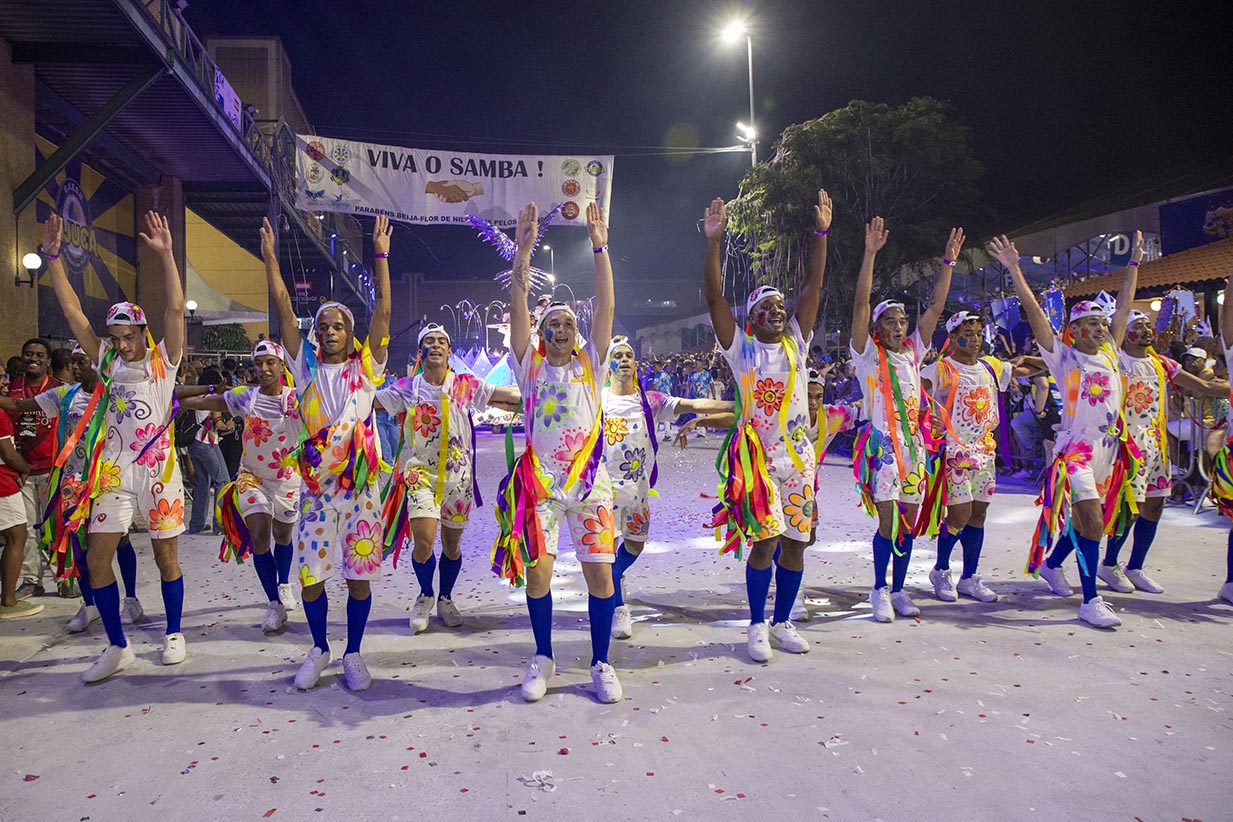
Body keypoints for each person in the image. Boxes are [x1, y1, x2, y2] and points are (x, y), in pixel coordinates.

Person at [44, 210, 189, 681]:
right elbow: (72, 312)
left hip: (160, 472)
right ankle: (116, 646)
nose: (122, 345)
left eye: (129, 337)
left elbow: (172, 310)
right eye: (116, 338)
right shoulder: (105, 358)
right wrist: (53, 260)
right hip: (111, 471)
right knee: (98, 558)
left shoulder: (166, 359)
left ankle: (173, 632)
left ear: (143, 333)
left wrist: (166, 255)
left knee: (166, 557)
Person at [492, 201, 622, 703]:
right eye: (553, 325)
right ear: (542, 336)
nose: (562, 329)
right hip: (541, 487)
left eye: (568, 323)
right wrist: (522, 251)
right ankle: (543, 656)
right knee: (538, 572)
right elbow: (517, 309)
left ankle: (602, 662)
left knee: (600, 577)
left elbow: (605, 307)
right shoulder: (529, 366)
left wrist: (600, 247)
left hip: (590, 486)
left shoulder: (592, 361)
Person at [263, 215, 391, 692]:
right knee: (311, 578)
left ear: (349, 332)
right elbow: (281, 304)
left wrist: (381, 257)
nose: (331, 331)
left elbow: (383, 313)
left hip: (360, 492)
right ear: (315, 334)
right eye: (324, 326)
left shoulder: (368, 368)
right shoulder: (305, 369)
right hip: (317, 493)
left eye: (339, 326)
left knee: (359, 576)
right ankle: (319, 648)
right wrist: (271, 258)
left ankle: (353, 653)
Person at [703, 190, 831, 662]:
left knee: (796, 545)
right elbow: (714, 296)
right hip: (757, 464)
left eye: (781, 308)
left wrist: (821, 235)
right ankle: (757, 624)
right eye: (767, 310)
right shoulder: (742, 349)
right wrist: (714, 242)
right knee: (766, 542)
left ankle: (783, 622)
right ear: (752, 320)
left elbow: (814, 287)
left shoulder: (797, 343)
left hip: (798, 461)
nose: (778, 313)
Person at [991, 232, 1142, 628]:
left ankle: (1053, 564)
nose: (1099, 328)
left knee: (1086, 522)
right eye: (1090, 323)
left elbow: (1124, 307)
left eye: (1101, 323)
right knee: (1091, 520)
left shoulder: (1111, 352)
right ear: (1074, 330)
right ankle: (1091, 601)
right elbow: (1034, 311)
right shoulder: (1063, 357)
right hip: (1076, 453)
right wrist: (1014, 269)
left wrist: (1133, 266)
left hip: (1110, 451)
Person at [679, 367, 858, 622]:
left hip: (805, 487)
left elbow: (865, 410)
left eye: (818, 396)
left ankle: (784, 581)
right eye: (807, 394)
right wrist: (702, 420)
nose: (812, 401)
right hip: (770, 481)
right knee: (775, 537)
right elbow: (740, 416)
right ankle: (788, 598)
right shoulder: (782, 410)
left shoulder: (831, 415)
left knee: (805, 540)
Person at [850, 219, 961, 623]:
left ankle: (898, 590)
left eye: (901, 321)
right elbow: (860, 303)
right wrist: (870, 253)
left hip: (915, 449)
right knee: (888, 519)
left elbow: (935, 307)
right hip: (882, 446)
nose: (899, 326)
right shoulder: (865, 354)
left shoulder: (914, 353)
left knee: (909, 522)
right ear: (877, 328)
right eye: (890, 321)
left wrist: (947, 264)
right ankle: (879, 588)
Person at [377, 323, 519, 634]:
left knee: (451, 547)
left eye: (442, 341)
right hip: (419, 476)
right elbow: (372, 402)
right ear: (420, 352)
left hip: (459, 478)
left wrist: (542, 394)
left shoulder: (462, 384)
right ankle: (426, 594)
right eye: (430, 342)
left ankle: (445, 598)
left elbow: (501, 397)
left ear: (449, 352)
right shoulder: (408, 388)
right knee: (424, 544)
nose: (437, 345)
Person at [0, 347, 144, 631]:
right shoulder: (64, 395)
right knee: (77, 543)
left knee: (121, 541)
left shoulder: (116, 394)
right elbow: (17, 407)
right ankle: (89, 605)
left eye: (80, 361)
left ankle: (131, 599)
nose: (73, 367)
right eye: (71, 362)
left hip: (108, 481)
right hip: (72, 482)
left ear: (98, 363)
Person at [603, 336, 732, 639]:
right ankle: (618, 608)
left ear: (635, 364)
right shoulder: (596, 398)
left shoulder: (650, 400)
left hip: (637, 488)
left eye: (629, 355)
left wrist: (739, 404)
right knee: (605, 551)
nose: (624, 360)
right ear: (607, 364)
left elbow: (695, 403)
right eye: (617, 355)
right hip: (601, 489)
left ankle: (614, 576)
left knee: (635, 544)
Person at [178, 340, 302, 633]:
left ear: (282, 366)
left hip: (286, 478)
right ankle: (274, 604)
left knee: (283, 536)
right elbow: (198, 402)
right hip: (251, 477)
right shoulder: (246, 397)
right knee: (259, 535)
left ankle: (284, 583)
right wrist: (190, 393)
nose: (264, 368)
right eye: (258, 364)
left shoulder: (296, 399)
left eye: (270, 362)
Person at [1099, 311, 1225, 594]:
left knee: (1155, 506)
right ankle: (1109, 564)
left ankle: (1135, 566)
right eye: (1138, 325)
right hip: (1126, 446)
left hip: (1155, 445)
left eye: (1147, 324)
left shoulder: (1162, 363)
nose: (1147, 328)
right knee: (1128, 510)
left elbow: (1203, 386)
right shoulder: (1113, 360)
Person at [920, 312, 1033, 603]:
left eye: (979, 333)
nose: (974, 339)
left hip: (985, 451)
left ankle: (969, 577)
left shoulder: (990, 367)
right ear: (953, 336)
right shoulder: (940, 369)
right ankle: (941, 569)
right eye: (968, 333)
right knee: (960, 514)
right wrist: (926, 418)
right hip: (955, 452)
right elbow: (917, 394)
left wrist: (1059, 359)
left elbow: (1022, 368)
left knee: (979, 514)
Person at [7, 337, 63, 599]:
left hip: (53, 468)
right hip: (23, 470)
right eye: (29, 354)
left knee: (55, 526)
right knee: (27, 528)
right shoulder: (12, 390)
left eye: (40, 355)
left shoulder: (59, 390)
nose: (33, 359)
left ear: (48, 362)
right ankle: (32, 579)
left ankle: (63, 577)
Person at [0, 409, 36, 618]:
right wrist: (24, 467)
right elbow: (8, 453)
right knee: (16, 535)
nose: (5, 381)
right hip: (3, 482)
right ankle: (8, 600)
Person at [186, 367, 231, 536]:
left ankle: (196, 525)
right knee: (223, 482)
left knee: (202, 484)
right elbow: (219, 423)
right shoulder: (213, 399)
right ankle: (219, 525)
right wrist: (229, 427)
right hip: (206, 443)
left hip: (194, 444)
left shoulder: (198, 397)